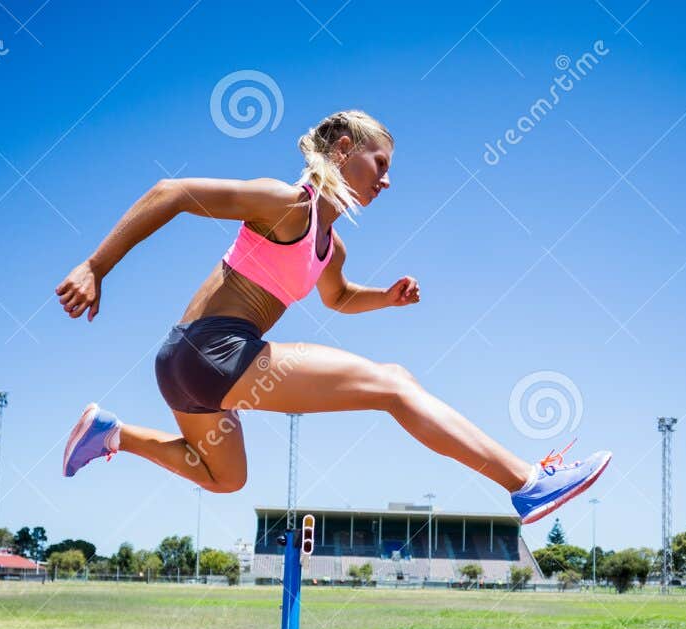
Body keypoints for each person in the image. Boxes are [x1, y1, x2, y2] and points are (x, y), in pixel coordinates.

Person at [57, 109, 609, 524]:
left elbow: (337, 298)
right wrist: (95, 265)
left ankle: (113, 435)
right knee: (394, 383)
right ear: (344, 149)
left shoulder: (331, 248)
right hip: (214, 348)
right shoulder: (285, 203)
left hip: (185, 370)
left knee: (225, 477)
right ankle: (527, 481)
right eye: (381, 163)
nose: (386, 179)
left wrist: (384, 298)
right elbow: (171, 191)